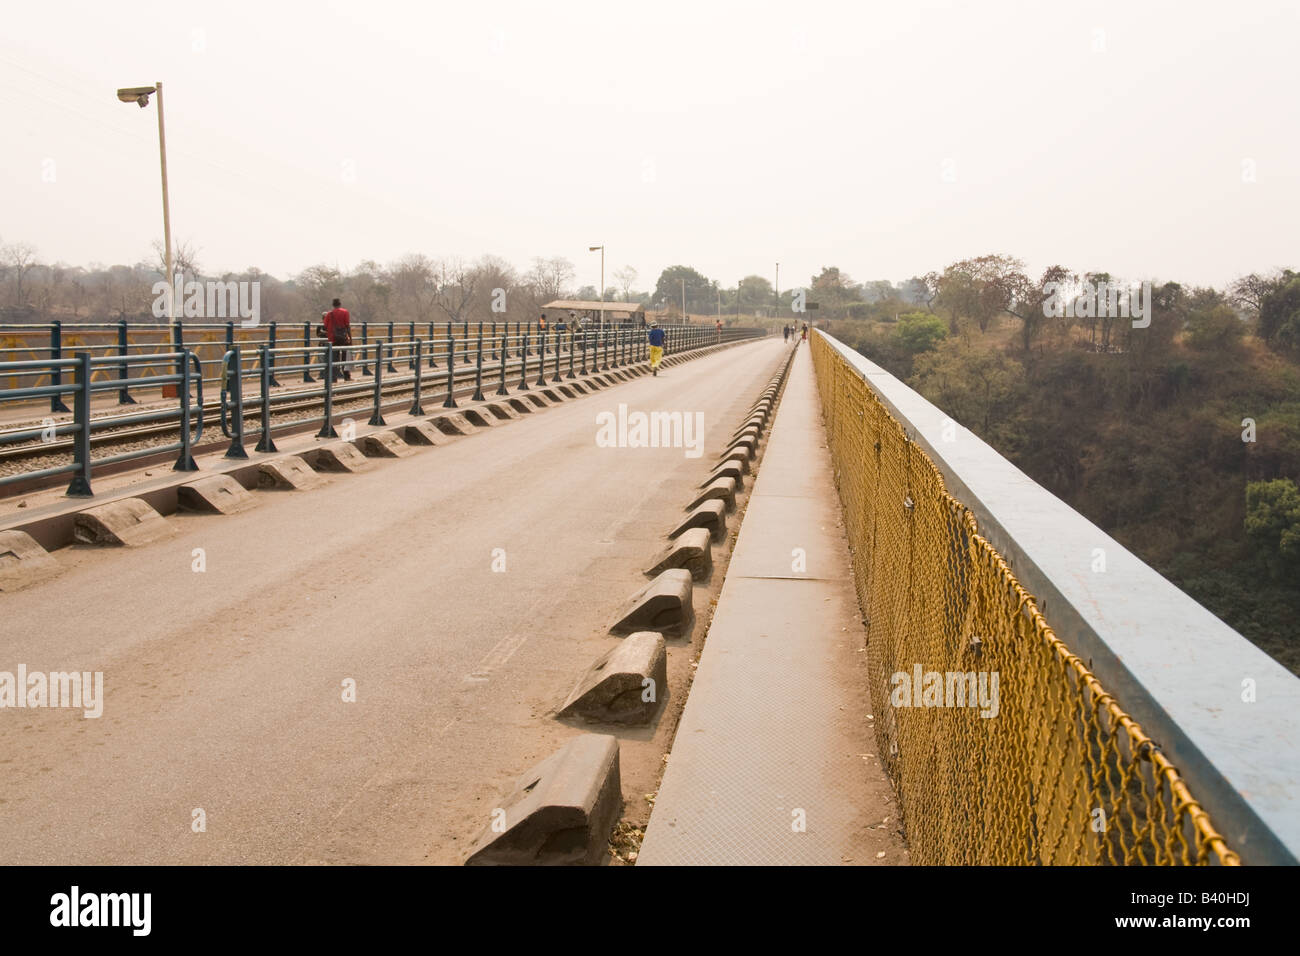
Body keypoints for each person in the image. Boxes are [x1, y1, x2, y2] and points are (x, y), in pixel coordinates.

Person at [323, 298, 352, 381]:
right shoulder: (345, 312)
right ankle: (346, 376)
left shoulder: (329, 314)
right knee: (345, 357)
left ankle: (333, 377)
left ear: (333, 305)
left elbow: (325, 325)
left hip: (333, 338)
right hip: (343, 338)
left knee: (334, 358)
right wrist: (349, 337)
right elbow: (347, 325)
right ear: (340, 304)